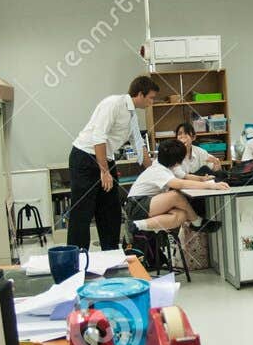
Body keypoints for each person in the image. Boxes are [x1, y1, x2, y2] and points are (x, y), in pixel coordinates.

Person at [68, 75, 159, 250]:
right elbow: (98, 137)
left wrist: (156, 172)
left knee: (111, 212)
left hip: (105, 159)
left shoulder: (132, 115)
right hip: (85, 158)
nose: (152, 102)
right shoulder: (113, 104)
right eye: (151, 98)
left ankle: (110, 254)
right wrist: (104, 171)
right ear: (140, 94)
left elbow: (139, 145)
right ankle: (76, 258)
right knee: (82, 213)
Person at [126, 139, 227, 233]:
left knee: (182, 215)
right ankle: (197, 222)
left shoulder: (166, 164)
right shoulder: (158, 170)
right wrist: (211, 186)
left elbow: (185, 176)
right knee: (175, 195)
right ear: (177, 161)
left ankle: (137, 225)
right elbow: (180, 183)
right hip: (135, 205)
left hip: (147, 203)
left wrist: (202, 179)